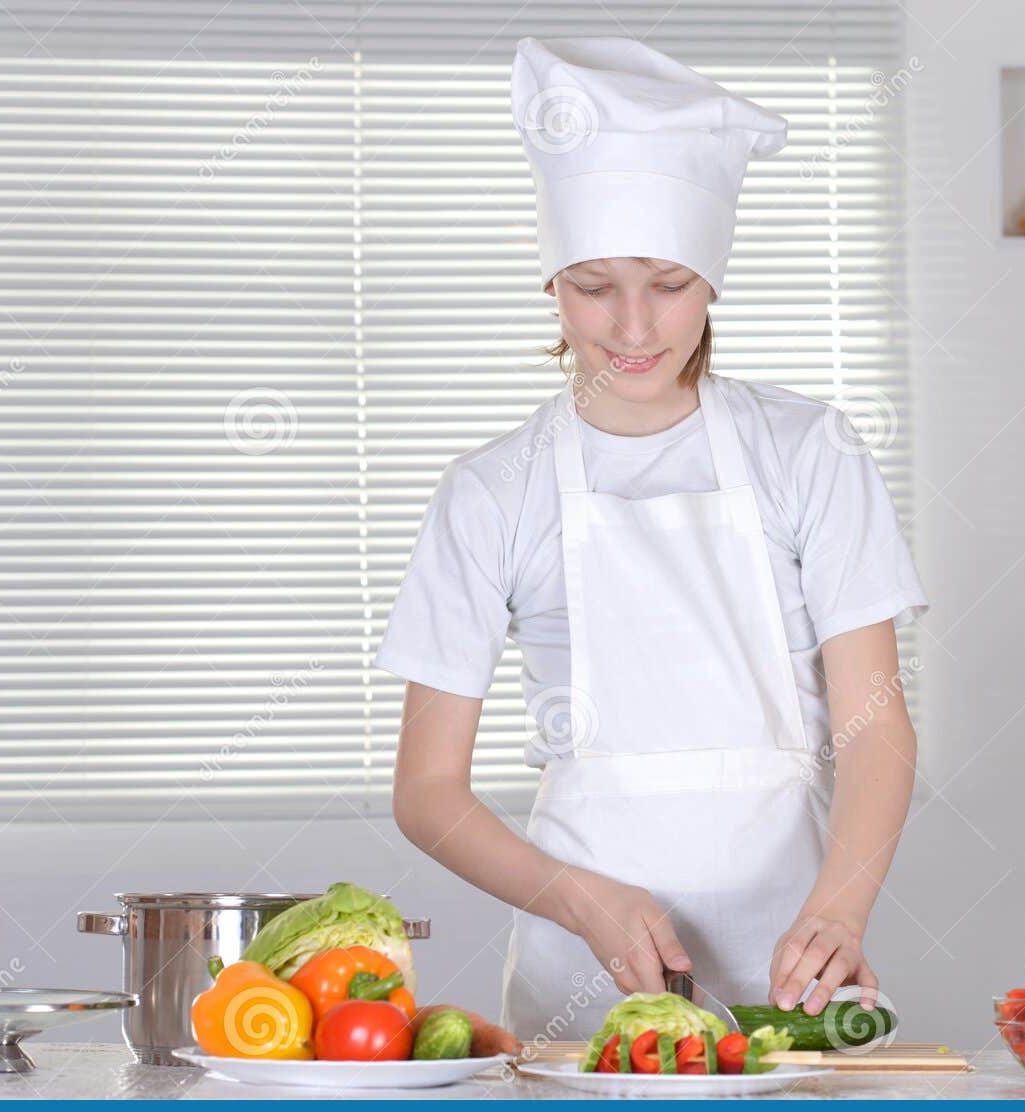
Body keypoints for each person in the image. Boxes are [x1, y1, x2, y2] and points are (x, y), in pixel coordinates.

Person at [378, 35, 929, 1041]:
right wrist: (576, 897)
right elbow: (426, 790)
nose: (633, 325)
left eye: (668, 283)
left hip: (792, 960)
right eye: (593, 285)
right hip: (581, 972)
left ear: (712, 279)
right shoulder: (490, 490)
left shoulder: (811, 450)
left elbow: (877, 728)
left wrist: (839, 907)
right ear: (550, 281)